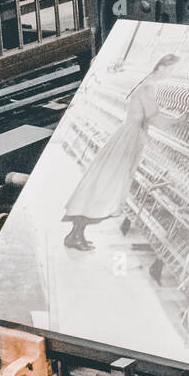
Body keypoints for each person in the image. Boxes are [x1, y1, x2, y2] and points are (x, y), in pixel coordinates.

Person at [61, 53, 179, 250]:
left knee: (100, 184)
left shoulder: (145, 82)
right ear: (164, 67)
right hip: (130, 139)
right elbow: (154, 117)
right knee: (106, 187)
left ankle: (75, 234)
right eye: (172, 69)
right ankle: (76, 235)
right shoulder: (149, 86)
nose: (173, 73)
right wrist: (179, 121)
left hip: (127, 136)